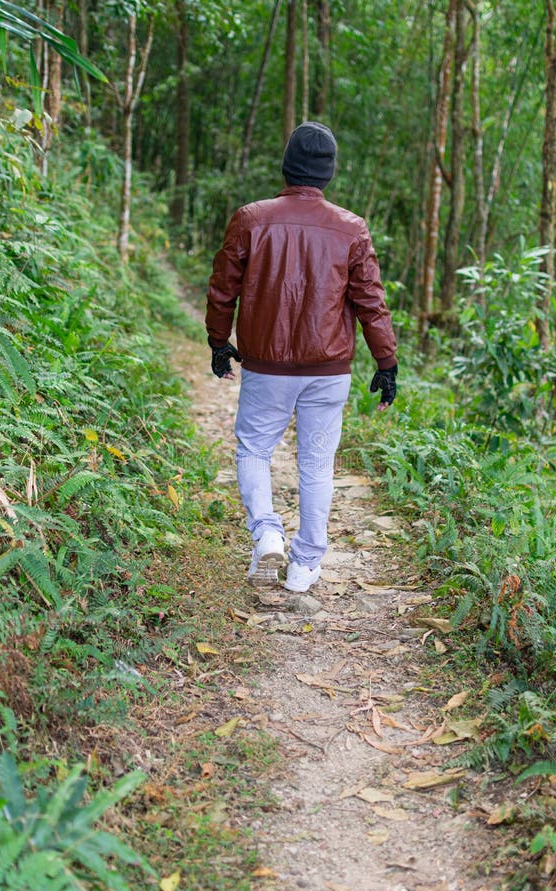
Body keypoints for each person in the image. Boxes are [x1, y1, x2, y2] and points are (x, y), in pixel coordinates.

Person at [206, 122, 397, 593]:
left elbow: (222, 288)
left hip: (267, 368)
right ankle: (305, 565)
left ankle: (267, 533)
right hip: (328, 371)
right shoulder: (351, 228)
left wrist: (218, 341)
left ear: (287, 165)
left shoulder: (251, 219)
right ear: (329, 172)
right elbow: (371, 302)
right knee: (317, 464)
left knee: (254, 450)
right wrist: (386, 362)